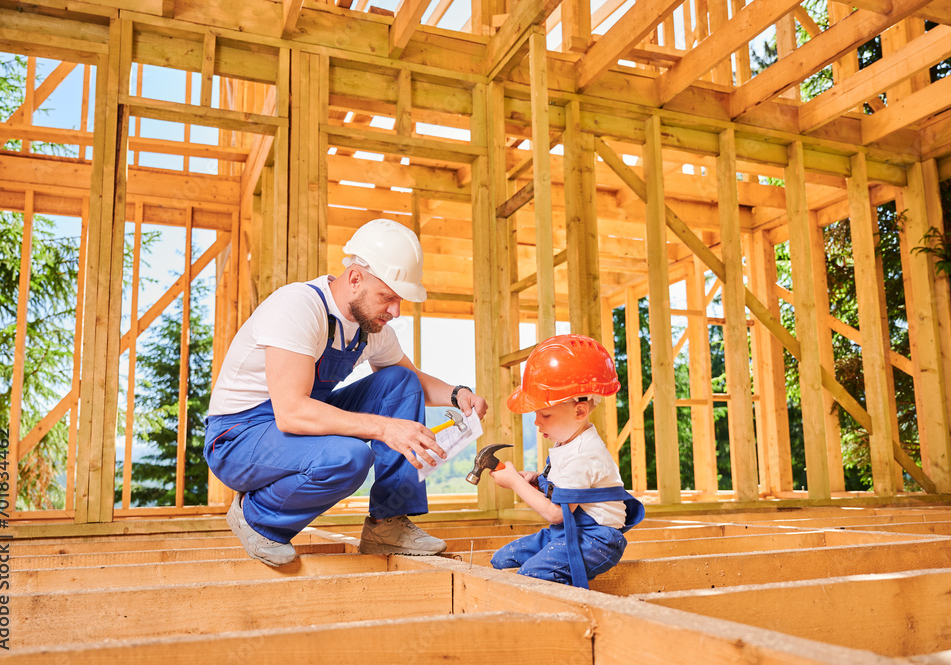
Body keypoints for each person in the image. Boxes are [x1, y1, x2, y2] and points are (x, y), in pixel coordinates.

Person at [204, 218, 488, 566]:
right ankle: (257, 517)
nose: (396, 311)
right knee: (349, 458)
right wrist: (385, 428)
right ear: (355, 279)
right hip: (238, 438)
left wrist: (458, 394)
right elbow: (291, 412)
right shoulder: (298, 307)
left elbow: (413, 379)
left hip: (297, 422)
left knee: (400, 381)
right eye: (388, 297)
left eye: (399, 300)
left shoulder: (371, 328)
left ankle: (388, 524)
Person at [489, 334, 643, 588]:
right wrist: (536, 480)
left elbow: (556, 513)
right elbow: (566, 488)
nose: (537, 422)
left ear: (579, 411)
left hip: (595, 539)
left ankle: (567, 608)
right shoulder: (567, 442)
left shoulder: (583, 454)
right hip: (569, 530)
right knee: (503, 560)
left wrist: (515, 483)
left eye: (545, 414)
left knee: (533, 575)